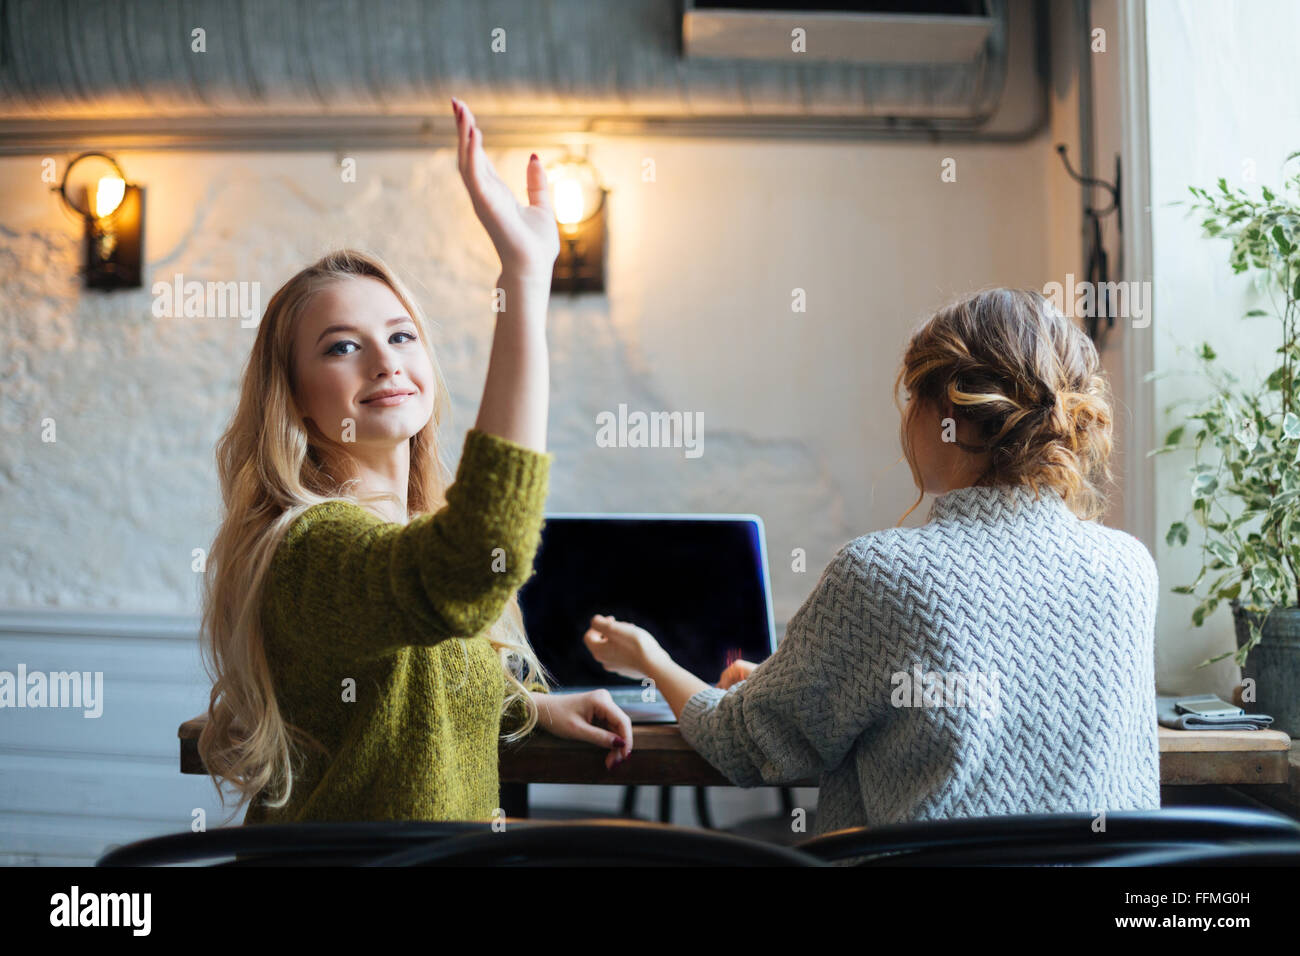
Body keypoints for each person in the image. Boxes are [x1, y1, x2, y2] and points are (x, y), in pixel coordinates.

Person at [585, 288, 1161, 838]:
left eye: (913, 396)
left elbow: (742, 745)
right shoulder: (1130, 570)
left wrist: (650, 659)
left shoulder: (882, 571)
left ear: (950, 415)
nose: (905, 419)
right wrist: (797, 686)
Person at [199, 97, 632, 826]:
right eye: (341, 346)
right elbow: (464, 575)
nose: (384, 361)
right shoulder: (309, 548)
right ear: (299, 404)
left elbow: (405, 671)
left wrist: (526, 705)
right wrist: (523, 279)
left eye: (401, 336)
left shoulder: (398, 544)